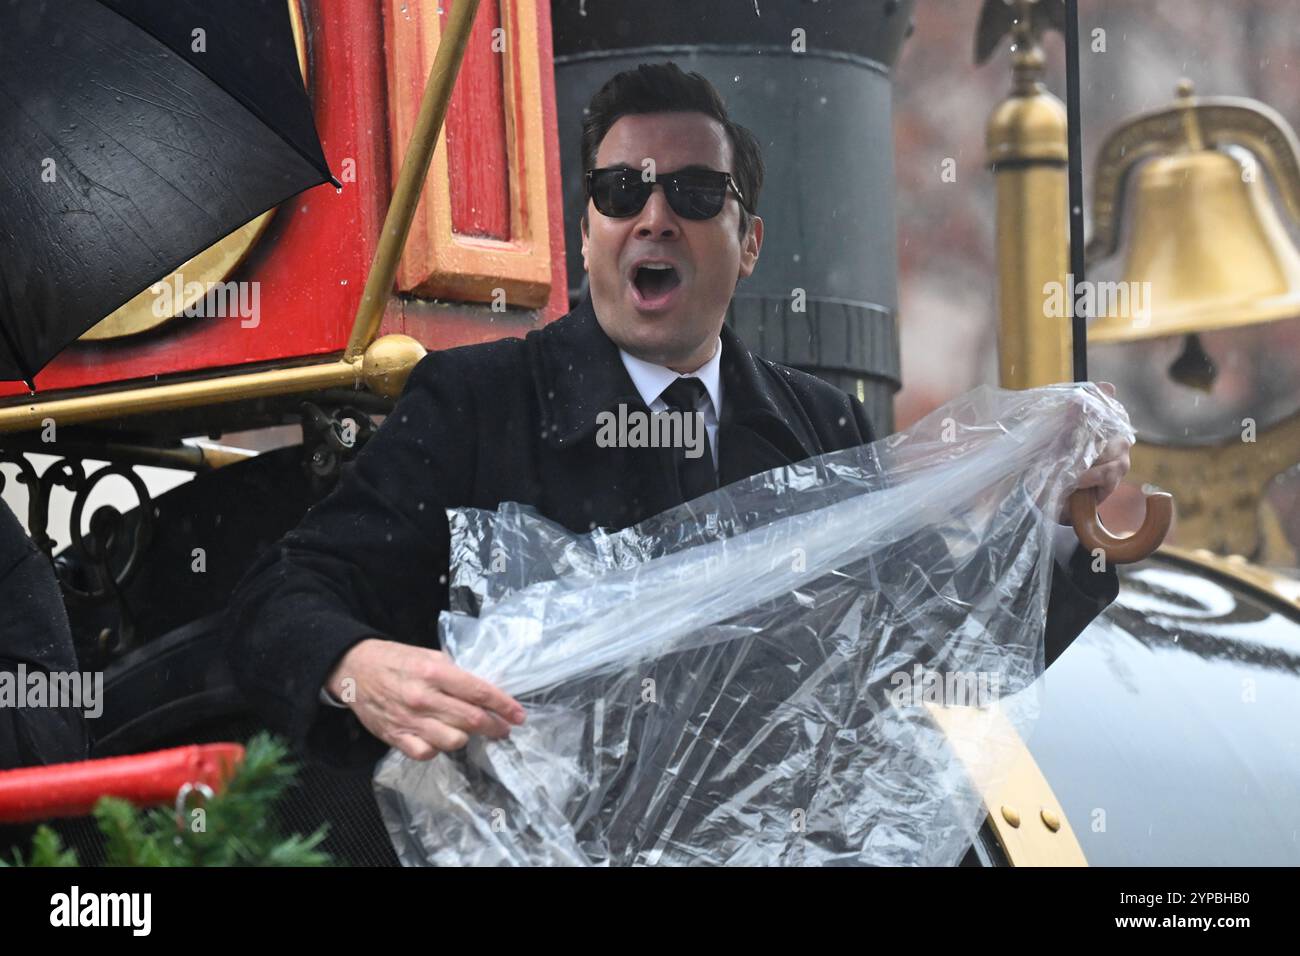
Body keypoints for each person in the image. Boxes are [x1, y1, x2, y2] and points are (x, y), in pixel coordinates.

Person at [225, 62, 1129, 770]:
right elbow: (283, 596)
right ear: (587, 234)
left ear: (750, 245)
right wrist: (357, 669)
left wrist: (1070, 535)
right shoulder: (472, 405)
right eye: (621, 192)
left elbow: (938, 659)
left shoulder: (826, 430)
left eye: (695, 195)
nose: (654, 217)